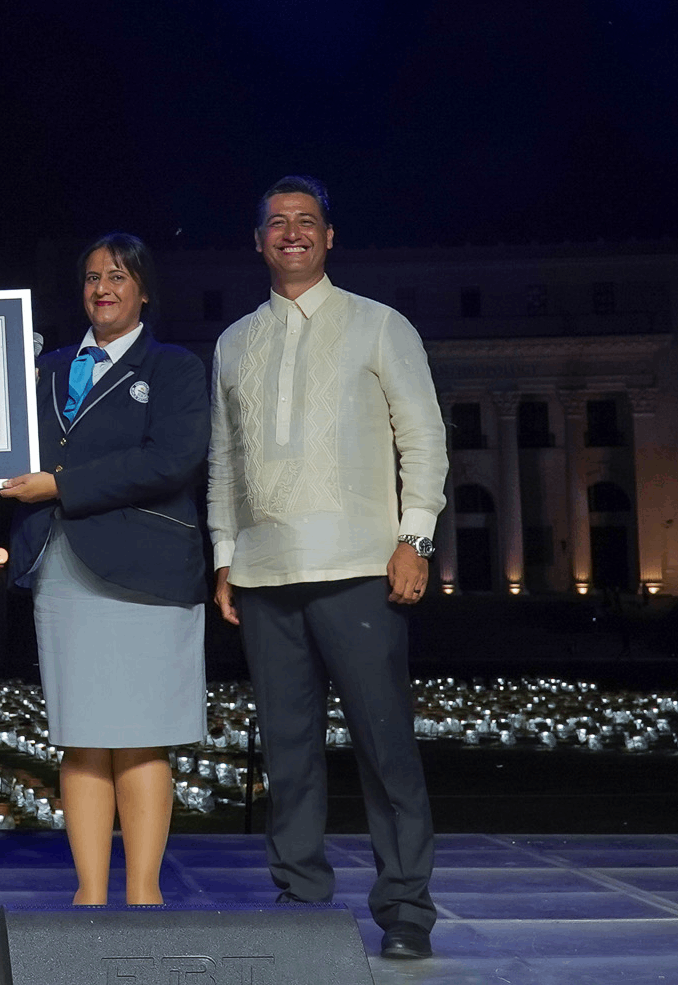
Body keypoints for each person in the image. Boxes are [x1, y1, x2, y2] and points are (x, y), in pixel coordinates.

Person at [207, 175, 447, 960]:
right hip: (265, 573)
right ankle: (301, 896)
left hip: (359, 568)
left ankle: (405, 906)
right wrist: (224, 556)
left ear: (329, 237)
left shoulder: (380, 326)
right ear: (257, 241)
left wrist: (414, 538)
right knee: (288, 750)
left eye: (305, 221)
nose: (292, 233)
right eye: (276, 223)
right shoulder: (234, 341)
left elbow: (423, 439)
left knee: (385, 745)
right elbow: (224, 464)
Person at [0, 233, 210, 906]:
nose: (102, 288)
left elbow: (169, 460)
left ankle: (143, 894)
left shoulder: (174, 367)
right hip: (62, 568)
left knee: (142, 735)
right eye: (91, 277)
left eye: (117, 276)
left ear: (143, 289)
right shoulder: (47, 368)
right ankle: (89, 895)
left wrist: (60, 484)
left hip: (145, 570)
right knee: (82, 733)